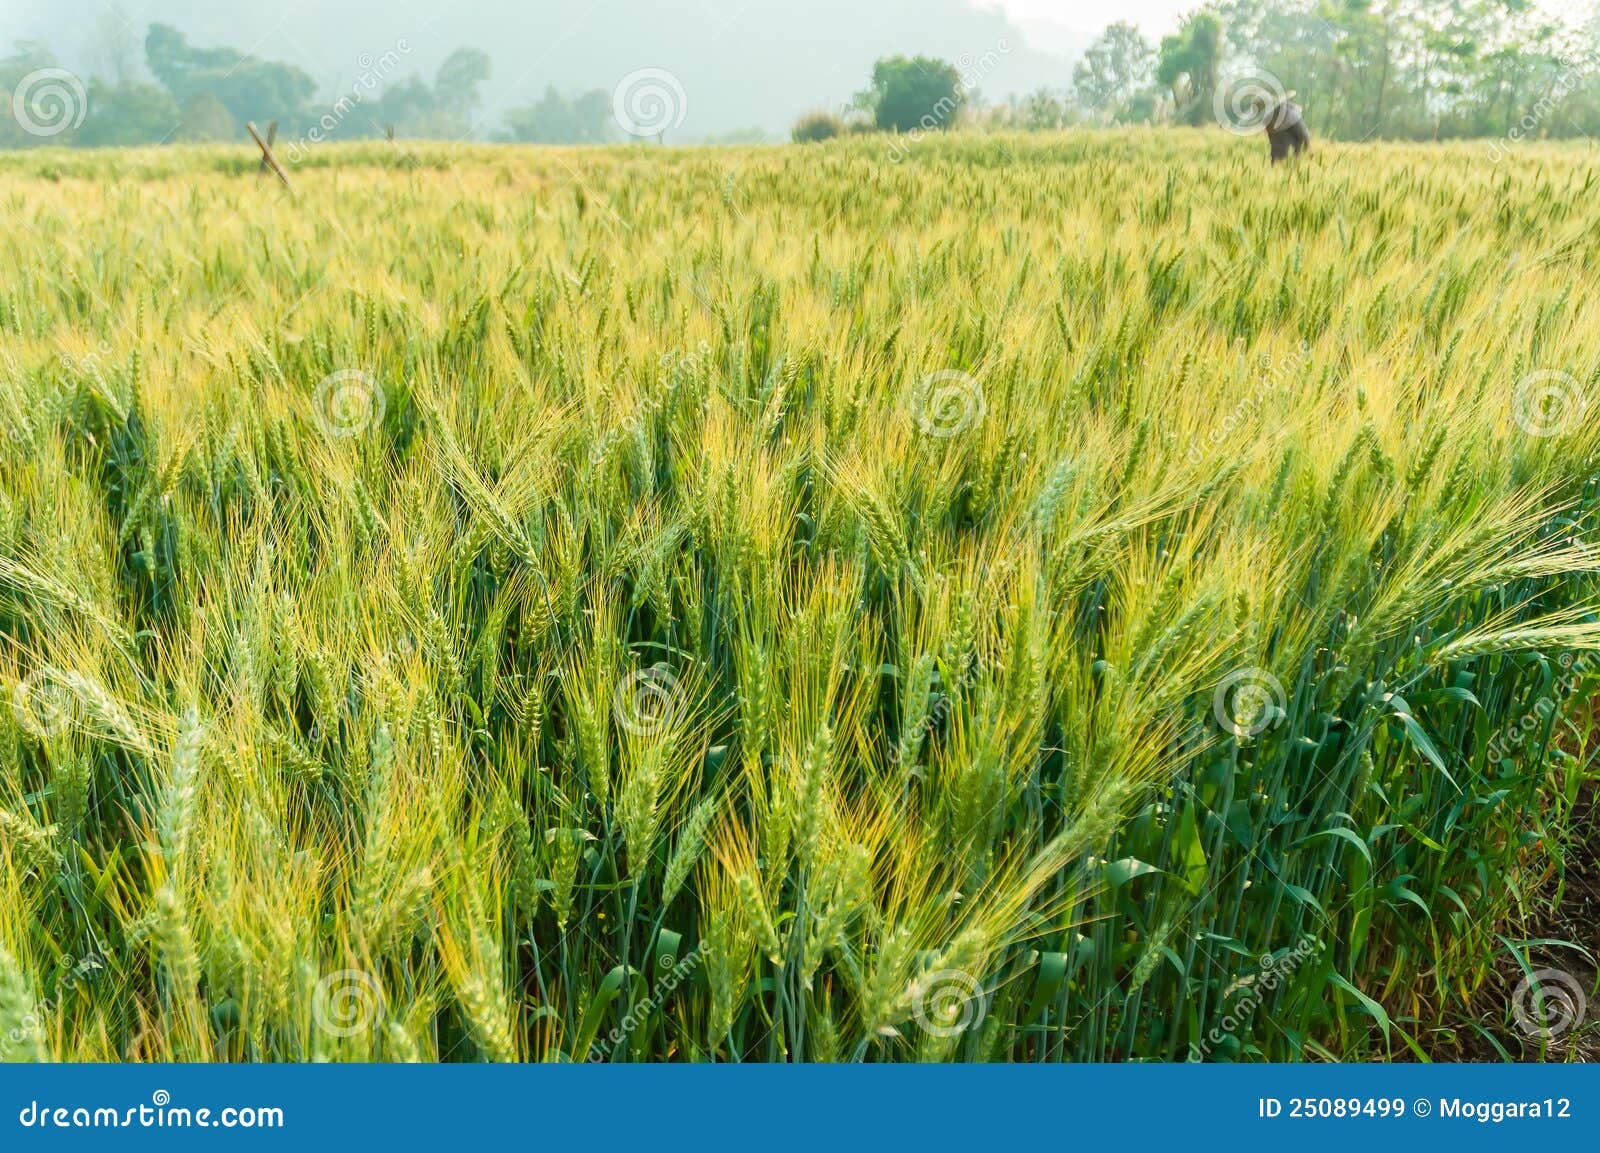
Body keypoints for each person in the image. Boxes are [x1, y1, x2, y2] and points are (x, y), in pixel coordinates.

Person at [1264, 92, 1310, 164]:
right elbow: (1304, 136)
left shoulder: (1271, 119)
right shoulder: (1289, 116)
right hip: (1287, 159)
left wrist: (1307, 147)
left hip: (1283, 159)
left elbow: (1303, 134)